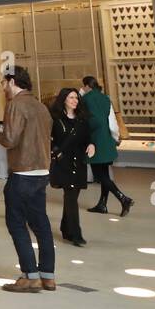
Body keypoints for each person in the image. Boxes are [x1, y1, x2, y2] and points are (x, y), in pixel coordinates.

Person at [0, 67, 56, 293]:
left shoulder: (16, 104)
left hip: (22, 173)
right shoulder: (40, 106)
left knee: (16, 223)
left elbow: (10, 139)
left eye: (3, 83)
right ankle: (48, 275)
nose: (2, 87)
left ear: (11, 81)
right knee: (41, 224)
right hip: (41, 171)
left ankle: (30, 275)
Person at [80, 76, 132, 216]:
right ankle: (102, 204)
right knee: (104, 173)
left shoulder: (85, 99)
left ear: (86, 86)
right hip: (107, 138)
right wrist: (115, 137)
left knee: (100, 176)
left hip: (94, 140)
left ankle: (123, 198)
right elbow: (112, 121)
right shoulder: (105, 98)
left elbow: (86, 121)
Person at [50, 87, 94, 247]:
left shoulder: (82, 119)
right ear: (63, 100)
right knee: (70, 197)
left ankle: (65, 227)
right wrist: (55, 152)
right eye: (71, 98)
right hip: (64, 162)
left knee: (73, 197)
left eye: (76, 98)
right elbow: (51, 141)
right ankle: (76, 233)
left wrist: (91, 145)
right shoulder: (56, 119)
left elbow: (88, 137)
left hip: (79, 162)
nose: (75, 101)